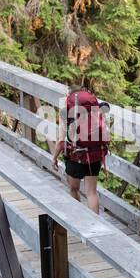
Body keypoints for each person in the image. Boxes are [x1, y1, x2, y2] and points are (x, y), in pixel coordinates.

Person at [51, 83, 110, 214]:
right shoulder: (94, 106)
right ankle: (95, 227)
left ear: (69, 94)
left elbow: (61, 141)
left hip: (75, 154)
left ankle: (80, 221)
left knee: (74, 189)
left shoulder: (67, 110)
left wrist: (54, 158)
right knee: (91, 192)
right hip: (94, 153)